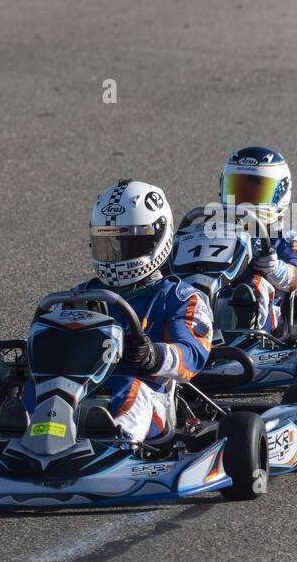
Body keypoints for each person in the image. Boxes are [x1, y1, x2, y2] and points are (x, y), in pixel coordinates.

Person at [68, 179, 214, 441]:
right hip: (80, 391)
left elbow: (192, 354)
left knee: (130, 388)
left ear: (156, 239)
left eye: (129, 244)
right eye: (108, 243)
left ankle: (116, 441)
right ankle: (22, 435)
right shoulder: (81, 294)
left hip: (150, 395)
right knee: (35, 390)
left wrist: (154, 355)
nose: (116, 255)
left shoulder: (179, 298)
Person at [218, 146, 297, 332]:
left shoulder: (286, 240)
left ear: (280, 194)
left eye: (254, 193)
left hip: (269, 312)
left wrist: (277, 269)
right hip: (214, 299)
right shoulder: (214, 232)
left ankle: (246, 337)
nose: (244, 202)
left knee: (256, 285)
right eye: (238, 191)